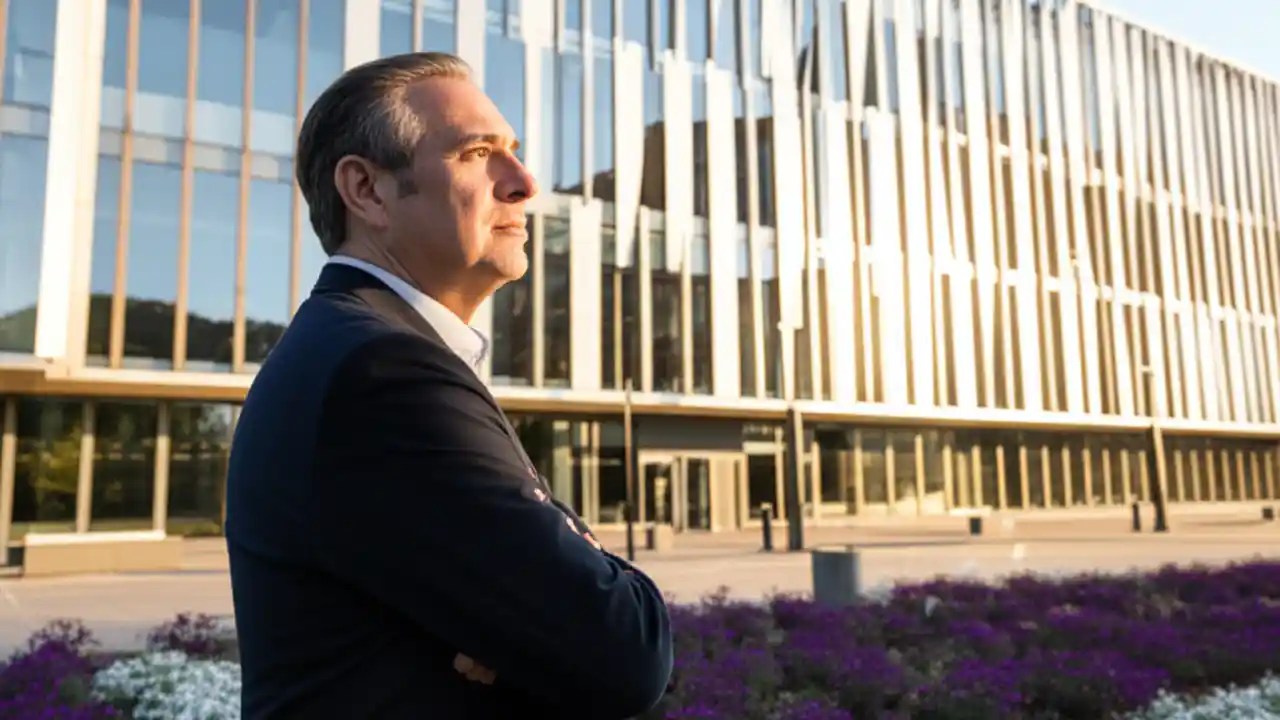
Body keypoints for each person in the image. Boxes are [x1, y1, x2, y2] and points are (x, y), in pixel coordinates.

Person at [224, 52, 673, 719]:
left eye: (513, 152)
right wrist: (568, 578)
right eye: (477, 152)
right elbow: (626, 649)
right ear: (368, 191)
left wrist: (528, 613)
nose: (523, 182)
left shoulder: (357, 347)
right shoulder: (383, 374)